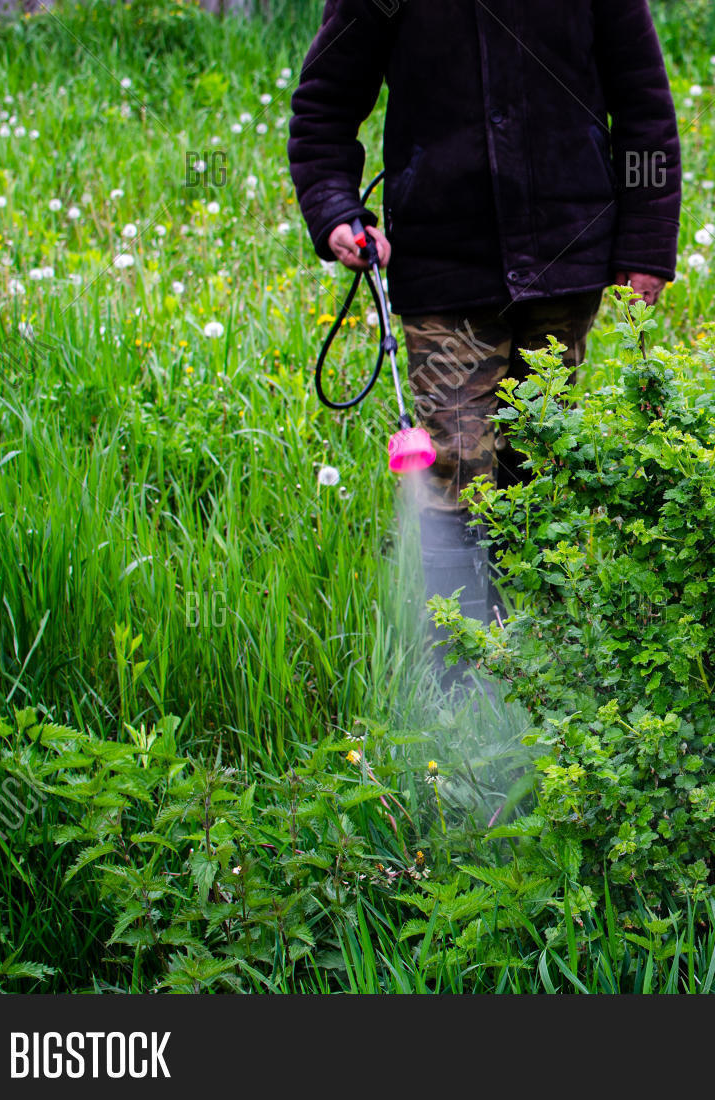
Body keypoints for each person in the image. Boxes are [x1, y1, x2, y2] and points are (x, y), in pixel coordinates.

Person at [288, 0, 681, 639]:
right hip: (443, 263)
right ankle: (458, 675)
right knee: (455, 465)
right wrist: (336, 211)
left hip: (568, 254)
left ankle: (542, 655)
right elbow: (324, 108)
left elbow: (643, 107)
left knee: (543, 457)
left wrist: (647, 243)